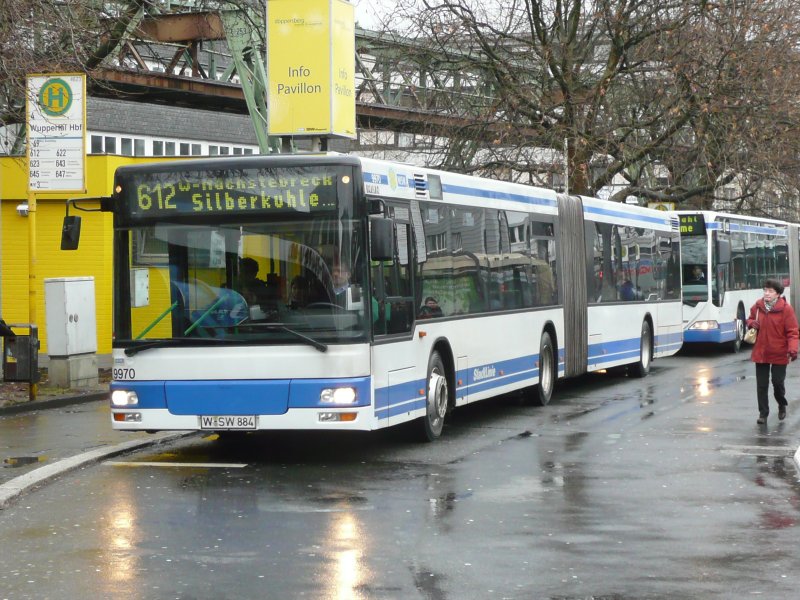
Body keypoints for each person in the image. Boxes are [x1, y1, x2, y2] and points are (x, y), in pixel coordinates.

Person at [746, 278, 799, 424]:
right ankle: (763, 414)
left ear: (778, 294)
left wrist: (793, 349)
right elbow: (749, 319)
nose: (766, 293)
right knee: (761, 385)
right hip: (761, 351)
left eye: (770, 291)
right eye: (765, 290)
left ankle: (782, 403)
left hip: (779, 352)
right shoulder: (758, 306)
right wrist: (751, 323)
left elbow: (793, 331)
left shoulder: (786, 309)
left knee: (777, 383)